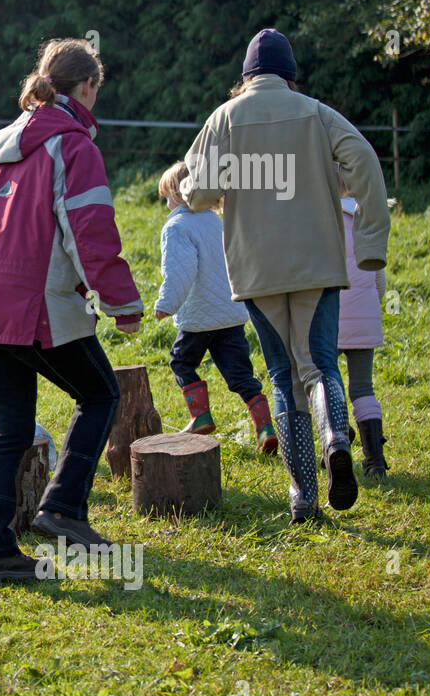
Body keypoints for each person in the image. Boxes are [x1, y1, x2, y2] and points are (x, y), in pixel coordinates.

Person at [0, 38, 142, 582]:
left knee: (10, 426)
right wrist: (123, 301)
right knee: (100, 392)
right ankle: (63, 509)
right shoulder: (74, 146)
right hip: (32, 305)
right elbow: (91, 232)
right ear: (87, 87)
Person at [181, 28, 391, 523]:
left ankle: (303, 499)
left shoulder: (224, 118)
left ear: (246, 76)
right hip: (318, 263)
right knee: (320, 365)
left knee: (281, 375)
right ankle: (336, 437)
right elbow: (364, 160)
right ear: (289, 75)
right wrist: (370, 245)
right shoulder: (317, 113)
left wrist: (204, 189)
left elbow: (199, 190)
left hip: (257, 269)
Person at [153, 160, 277, 453]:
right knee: (241, 376)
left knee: (182, 362)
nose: (166, 203)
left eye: (168, 196)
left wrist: (166, 305)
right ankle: (265, 429)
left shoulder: (176, 227)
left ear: (179, 194)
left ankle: (201, 416)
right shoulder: (219, 222)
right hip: (232, 314)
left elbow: (180, 272)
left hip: (198, 317)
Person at [336, 176, 389, 477]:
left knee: (329, 384)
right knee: (363, 388)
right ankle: (375, 460)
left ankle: (336, 446)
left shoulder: (320, 217)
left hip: (327, 316)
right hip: (364, 314)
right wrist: (370, 304)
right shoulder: (367, 218)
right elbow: (379, 280)